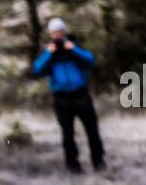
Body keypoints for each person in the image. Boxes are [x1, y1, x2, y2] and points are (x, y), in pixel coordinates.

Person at [31, 17, 105, 173]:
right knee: (68, 134)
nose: (57, 34)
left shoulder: (74, 46)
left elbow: (90, 61)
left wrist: (73, 48)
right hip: (61, 98)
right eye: (54, 32)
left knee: (92, 131)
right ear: (50, 33)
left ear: (64, 31)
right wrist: (48, 54)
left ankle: (98, 162)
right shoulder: (48, 51)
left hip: (81, 95)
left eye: (59, 31)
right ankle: (73, 165)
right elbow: (37, 70)